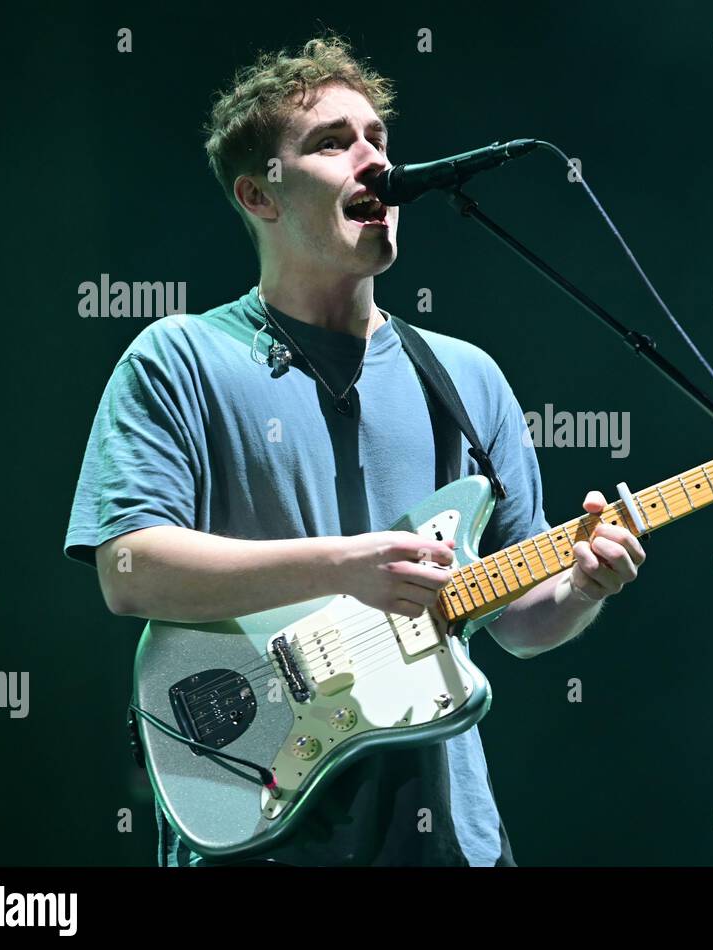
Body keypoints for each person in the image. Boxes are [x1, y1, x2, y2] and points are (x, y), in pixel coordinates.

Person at [63, 35, 646, 866]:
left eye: (378, 138)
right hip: (263, 828)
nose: (372, 161)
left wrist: (584, 587)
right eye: (333, 143)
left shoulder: (465, 376)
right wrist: (346, 565)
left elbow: (520, 622)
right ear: (258, 195)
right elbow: (129, 571)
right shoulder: (180, 357)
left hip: (451, 840)